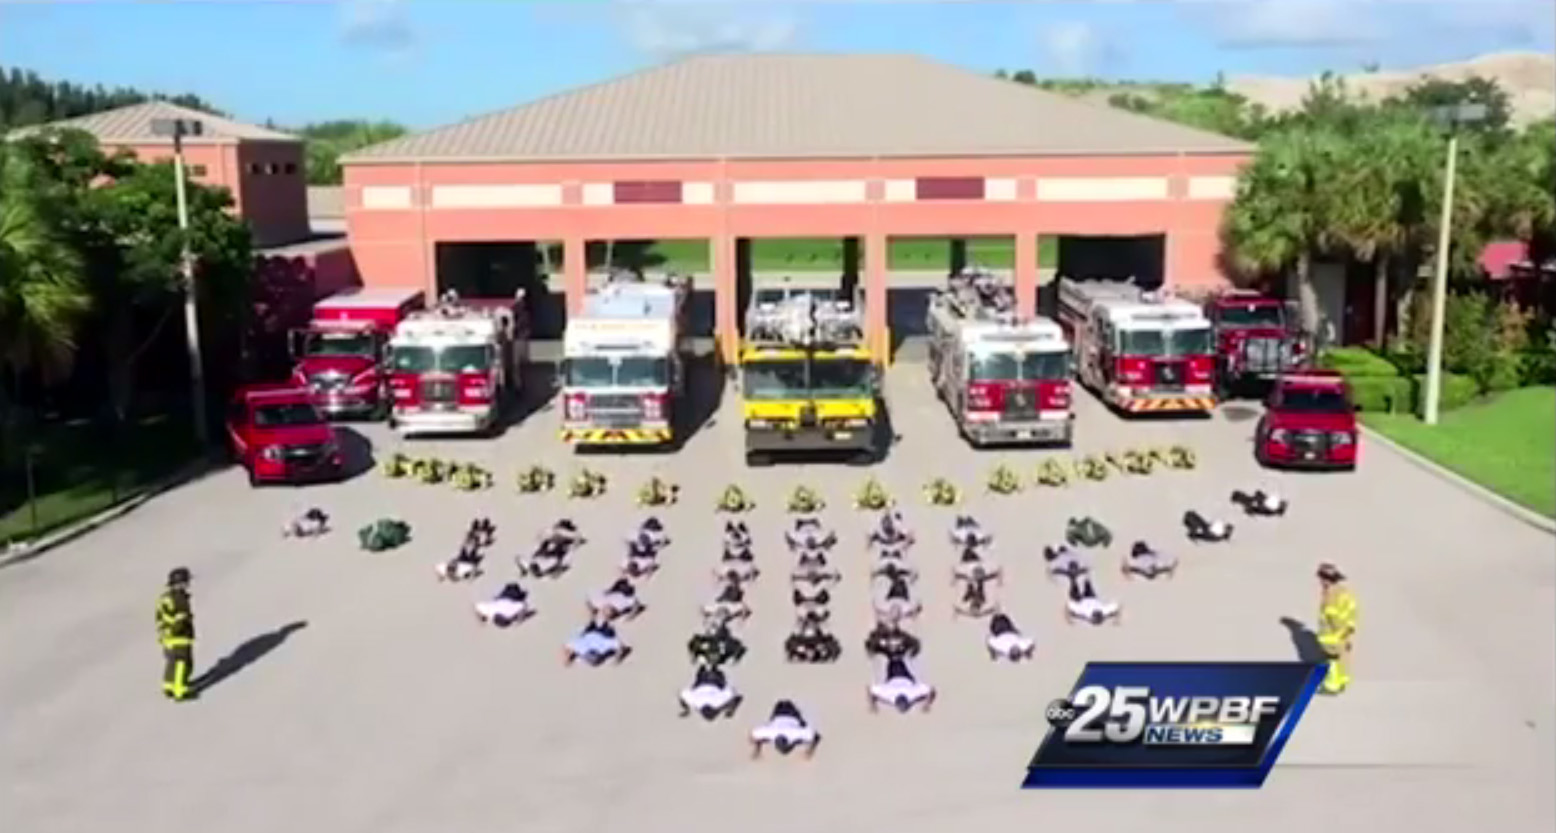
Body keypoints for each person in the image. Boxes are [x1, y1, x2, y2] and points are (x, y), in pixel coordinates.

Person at [156, 567, 197, 702]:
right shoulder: (180, 599)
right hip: (179, 636)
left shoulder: (165, 598)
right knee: (183, 662)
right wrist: (181, 631)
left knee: (171, 662)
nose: (188, 584)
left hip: (166, 636)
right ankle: (180, 690)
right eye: (186, 581)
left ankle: (168, 685)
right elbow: (181, 618)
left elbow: (160, 617)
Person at [1316, 563, 1358, 695]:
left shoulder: (1330, 594)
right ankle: (1342, 681)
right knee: (1342, 658)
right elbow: (1352, 610)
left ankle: (1332, 686)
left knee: (1332, 660)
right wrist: (1348, 629)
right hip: (1344, 633)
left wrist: (1337, 631)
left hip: (1332, 635)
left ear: (1325, 579)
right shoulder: (1345, 592)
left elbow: (1331, 616)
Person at [750, 699, 821, 759]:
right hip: (780, 713)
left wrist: (810, 750)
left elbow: (816, 736)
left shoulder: (794, 735)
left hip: (788, 713)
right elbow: (753, 737)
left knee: (801, 736)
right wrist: (757, 749)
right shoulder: (771, 734)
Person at [867, 656, 936, 714]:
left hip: (893, 676)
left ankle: (894, 658)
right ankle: (899, 657)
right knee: (899, 662)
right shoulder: (912, 694)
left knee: (893, 662)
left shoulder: (888, 694)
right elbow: (931, 690)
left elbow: (869, 689)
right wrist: (927, 704)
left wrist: (872, 705)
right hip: (906, 677)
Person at [564, 617, 630, 666]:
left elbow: (567, 647)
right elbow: (623, 647)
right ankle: (604, 622)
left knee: (588, 626)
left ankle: (598, 621)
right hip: (602, 633)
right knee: (608, 630)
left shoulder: (581, 649)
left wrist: (568, 658)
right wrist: (618, 658)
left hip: (591, 632)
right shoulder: (604, 648)